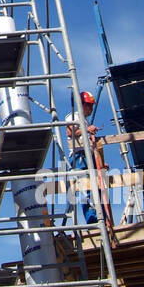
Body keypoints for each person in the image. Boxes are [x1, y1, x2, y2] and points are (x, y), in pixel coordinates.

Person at [65, 91, 100, 224]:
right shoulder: (73, 116)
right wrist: (87, 130)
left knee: (96, 188)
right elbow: (70, 132)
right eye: (89, 106)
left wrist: (100, 163)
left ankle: (99, 217)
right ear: (82, 104)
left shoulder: (84, 120)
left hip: (88, 155)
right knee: (86, 189)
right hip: (79, 156)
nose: (90, 109)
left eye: (91, 106)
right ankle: (92, 220)